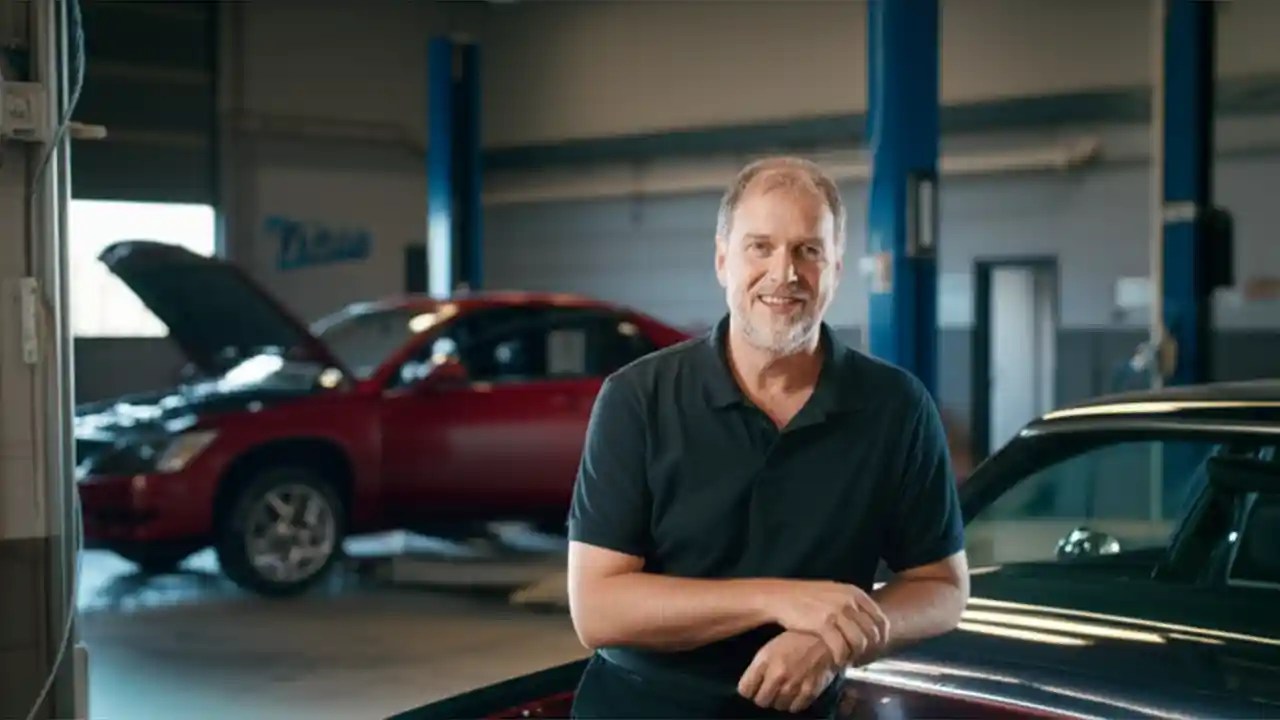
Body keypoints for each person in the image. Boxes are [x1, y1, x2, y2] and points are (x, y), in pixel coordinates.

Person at [565, 156, 970, 719]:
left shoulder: (896, 408)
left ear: (835, 267)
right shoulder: (639, 399)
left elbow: (942, 589)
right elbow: (597, 608)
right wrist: (780, 598)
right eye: (760, 247)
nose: (784, 274)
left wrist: (833, 640)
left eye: (808, 250)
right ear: (722, 260)